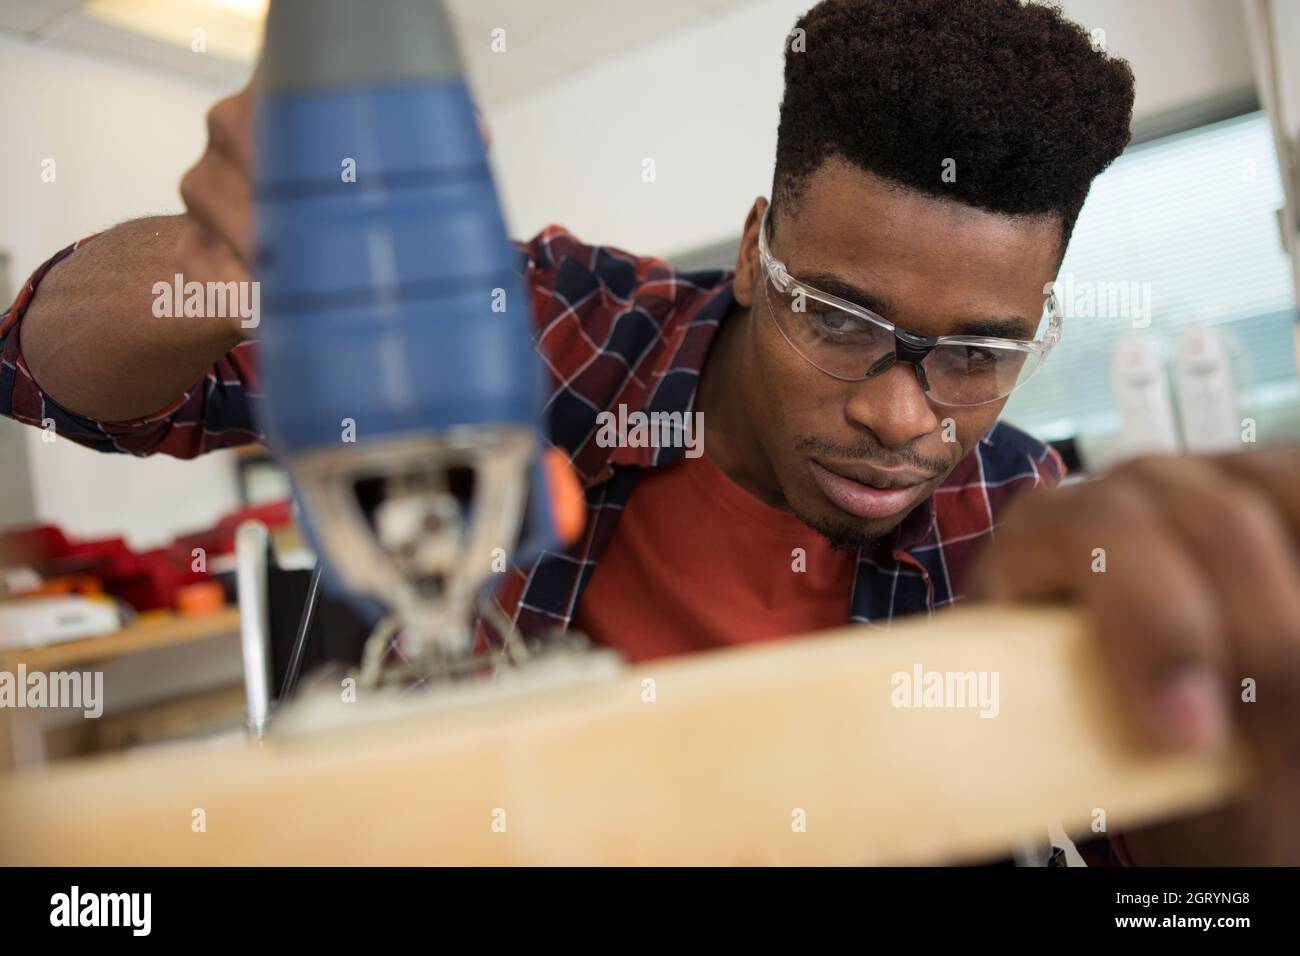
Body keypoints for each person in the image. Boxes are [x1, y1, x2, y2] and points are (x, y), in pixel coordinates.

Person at [3, 0, 1297, 865]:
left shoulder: (1018, 515)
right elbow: (46, 368)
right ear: (751, 252)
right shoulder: (548, 328)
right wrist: (233, 259)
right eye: (838, 319)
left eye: (980, 355)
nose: (902, 415)